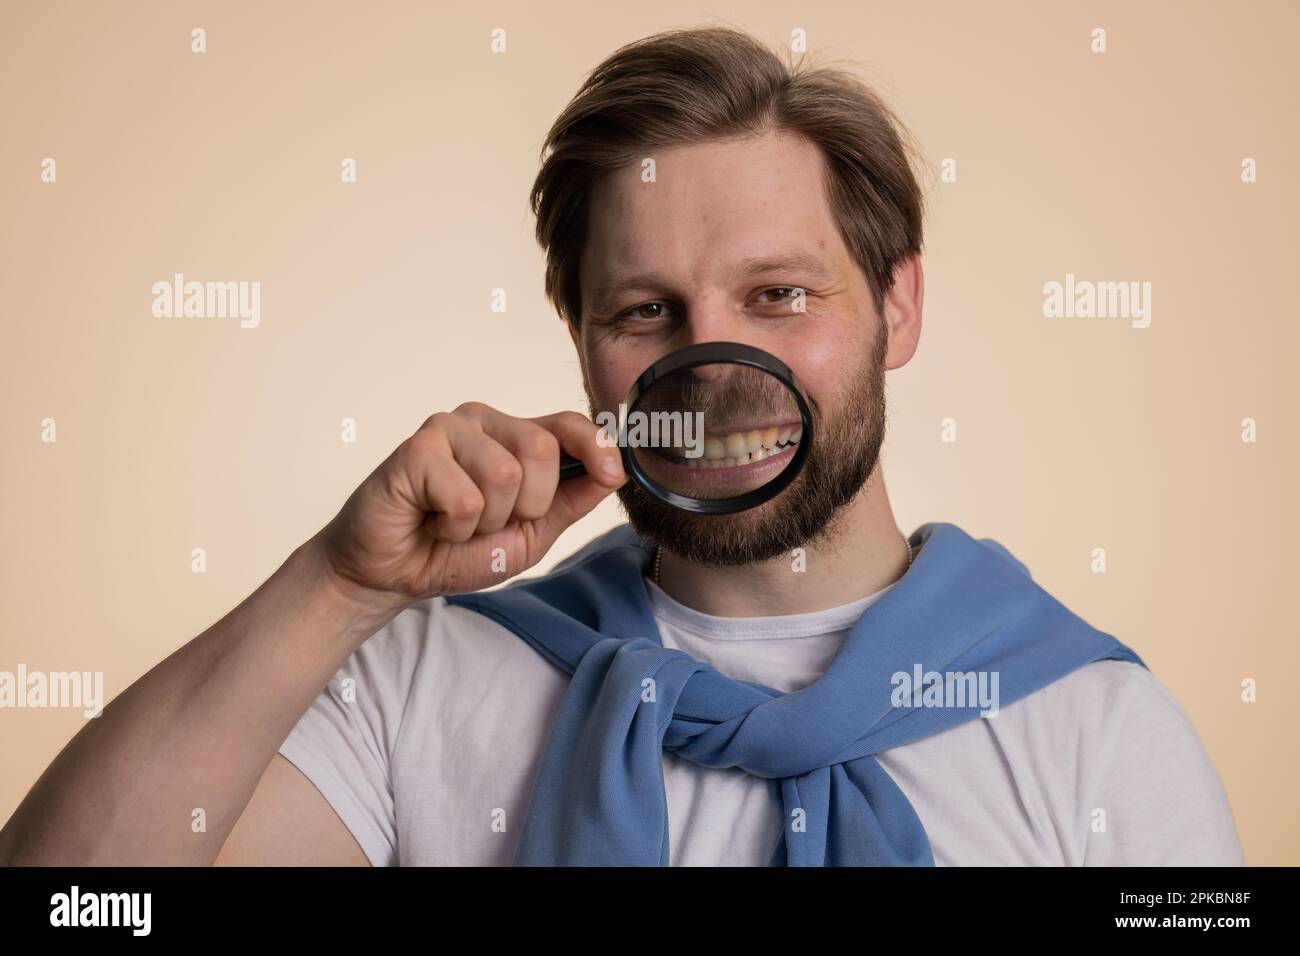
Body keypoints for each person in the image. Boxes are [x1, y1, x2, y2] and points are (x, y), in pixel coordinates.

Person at [0, 26, 1242, 867]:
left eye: (777, 296)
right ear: (583, 342)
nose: (707, 367)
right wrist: (336, 586)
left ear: (897, 308)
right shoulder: (423, 680)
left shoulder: (1100, 729)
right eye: (647, 311)